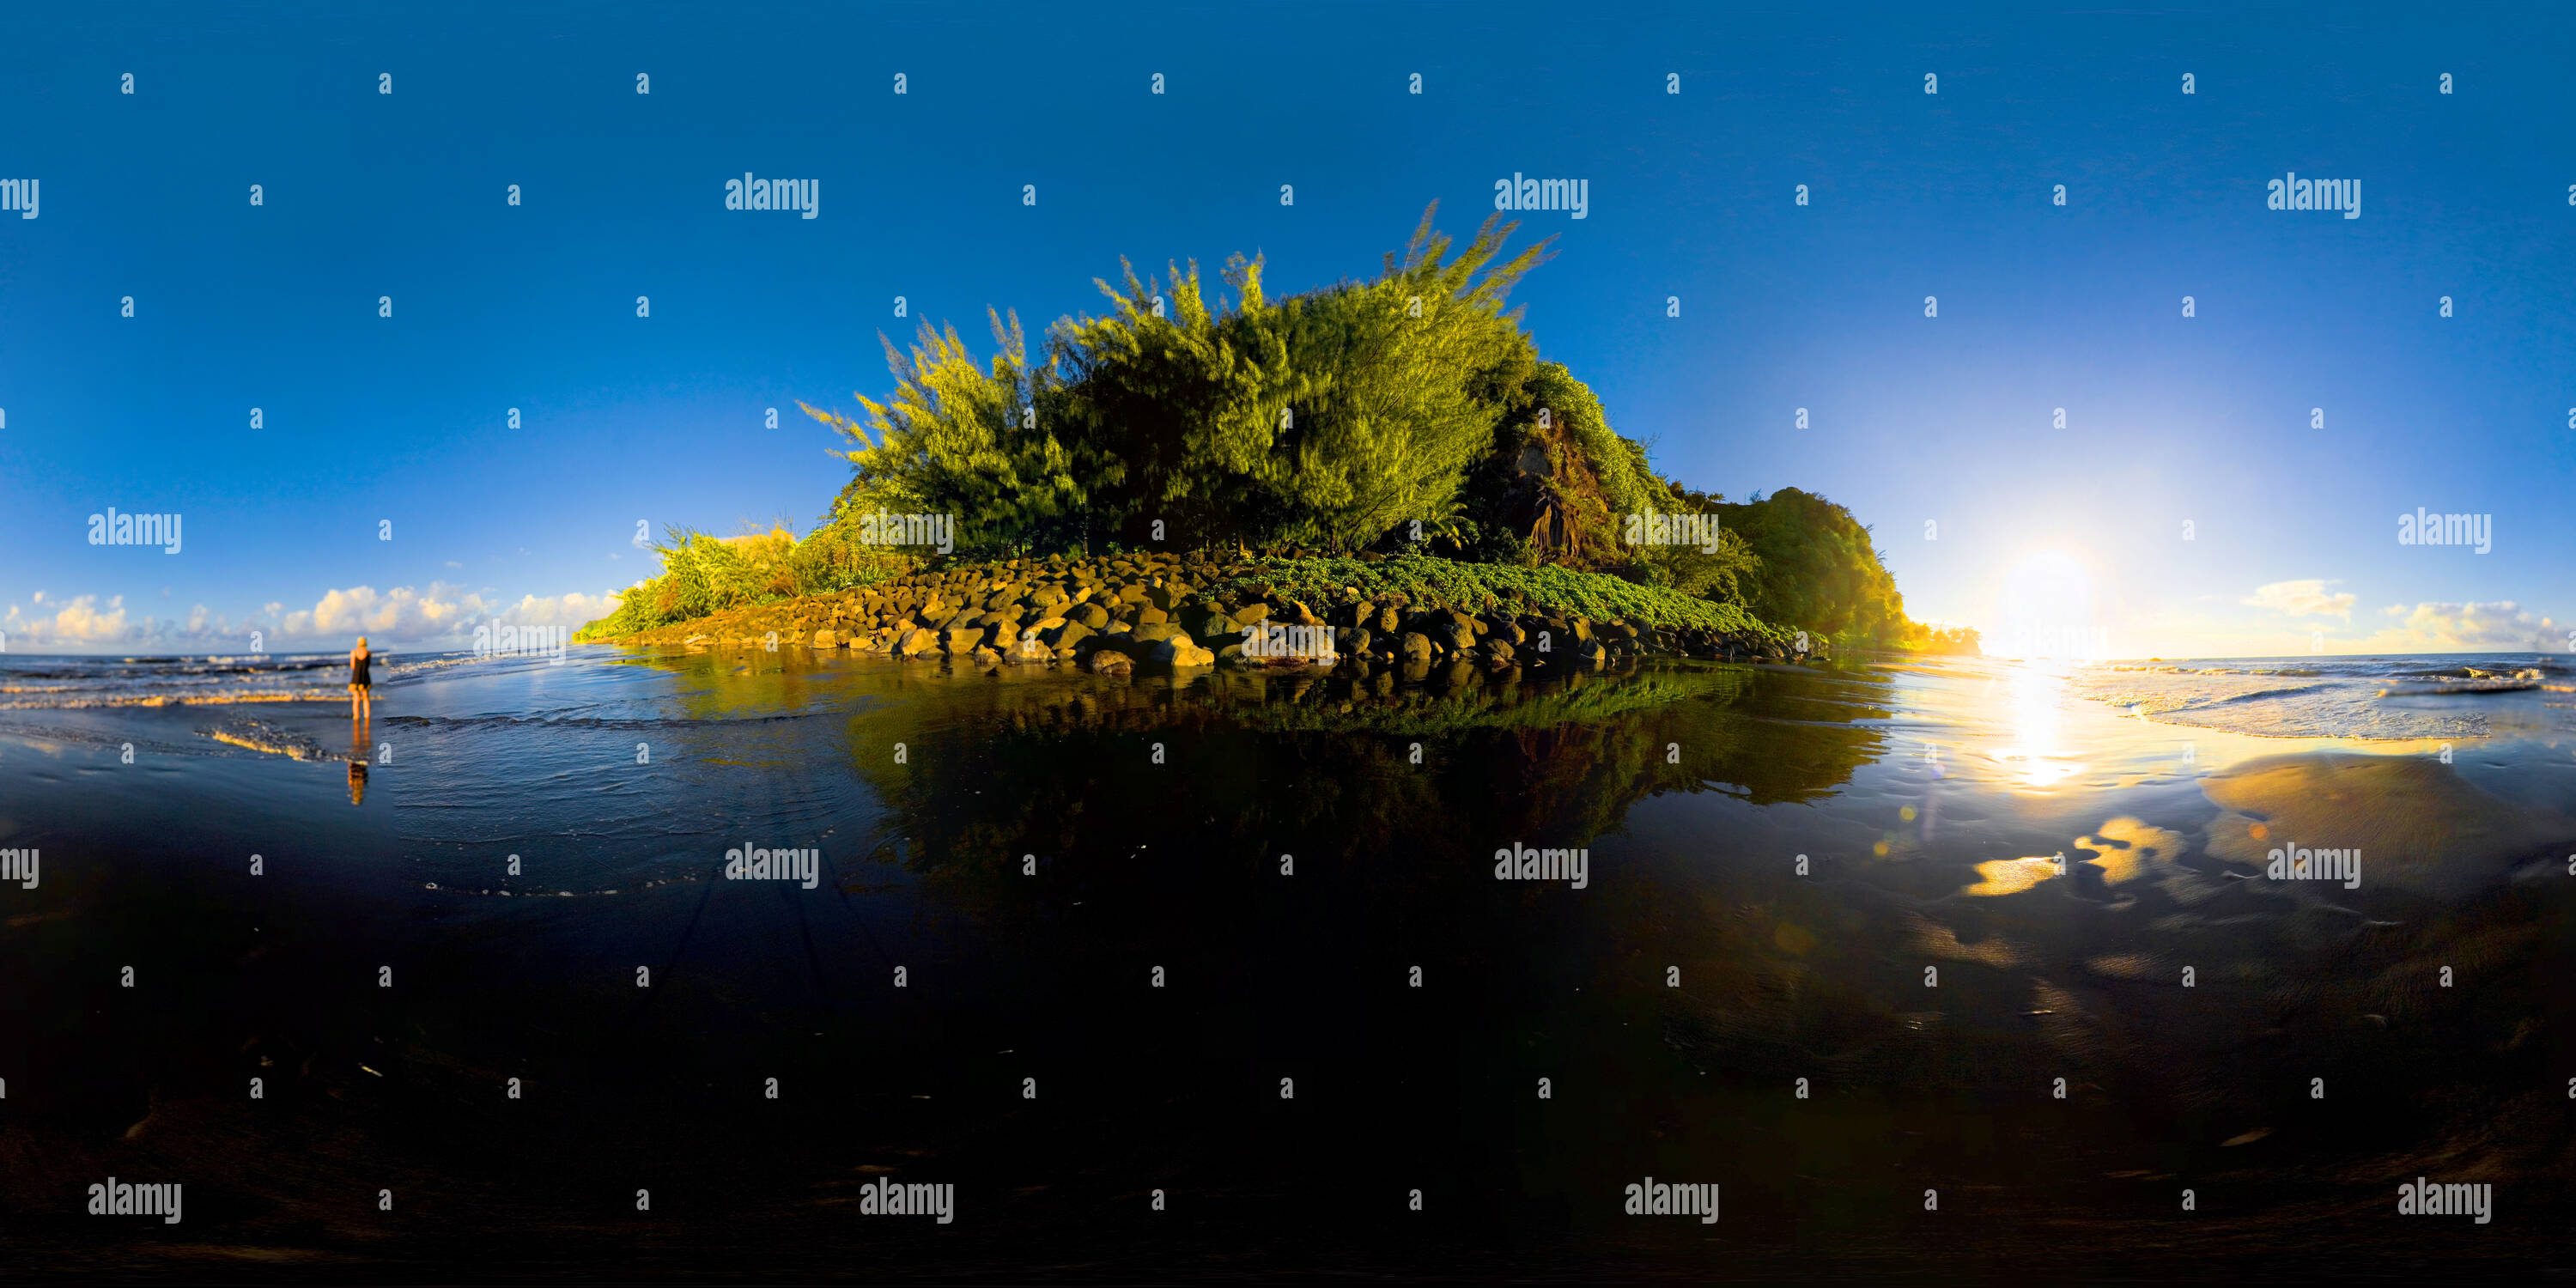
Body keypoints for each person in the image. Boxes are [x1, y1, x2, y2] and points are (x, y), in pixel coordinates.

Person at [349, 635, 377, 722]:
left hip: (356, 677)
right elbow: (368, 664)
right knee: (366, 697)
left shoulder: (353, 652)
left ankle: (356, 716)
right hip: (366, 676)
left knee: (356, 698)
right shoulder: (369, 653)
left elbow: (352, 666)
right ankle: (367, 716)